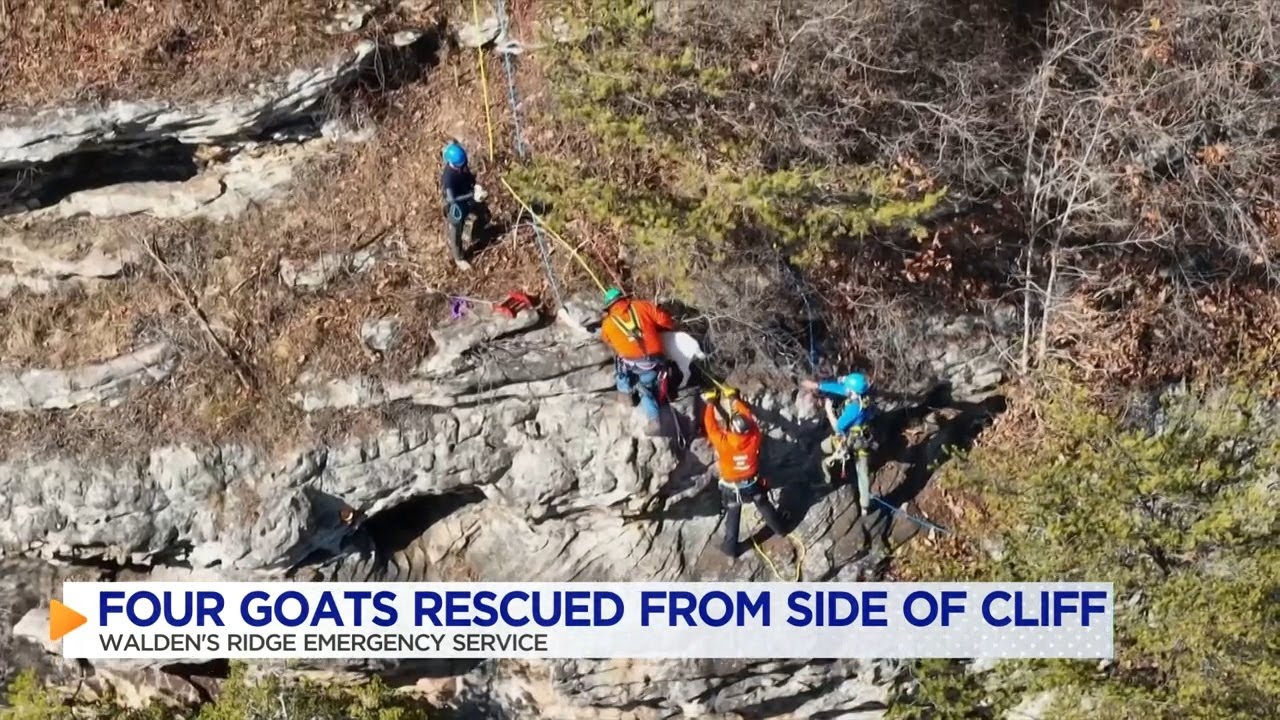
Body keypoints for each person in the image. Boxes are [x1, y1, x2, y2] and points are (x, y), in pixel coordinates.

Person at [700, 387, 788, 558]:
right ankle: (781, 529)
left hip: (731, 486)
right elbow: (748, 416)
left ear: (732, 429)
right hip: (752, 483)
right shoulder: (754, 437)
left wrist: (711, 404)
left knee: (733, 513)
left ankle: (730, 548)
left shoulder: (724, 441)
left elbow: (710, 426)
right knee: (763, 503)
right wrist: (735, 399)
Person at [600, 287, 676, 434]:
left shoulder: (608, 324)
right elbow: (665, 320)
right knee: (646, 381)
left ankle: (637, 404)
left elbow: (606, 339)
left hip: (635, 363)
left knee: (639, 385)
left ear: (609, 308)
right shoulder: (642, 306)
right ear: (624, 299)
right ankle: (632, 393)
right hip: (655, 360)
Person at [801, 372, 876, 514]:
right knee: (863, 472)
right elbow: (839, 388)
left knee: (821, 449)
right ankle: (865, 506)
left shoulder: (854, 408)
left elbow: (838, 427)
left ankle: (826, 479)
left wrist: (829, 410)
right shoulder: (864, 397)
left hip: (849, 440)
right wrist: (819, 386)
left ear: (852, 391)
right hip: (864, 439)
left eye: (848, 388)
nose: (845, 389)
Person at [440, 141, 486, 271]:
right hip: (455, 205)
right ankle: (458, 257)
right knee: (456, 228)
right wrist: (472, 196)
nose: (463, 166)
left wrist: (475, 186)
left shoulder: (462, 165)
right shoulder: (448, 178)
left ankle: (474, 234)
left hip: (467, 196)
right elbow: (451, 199)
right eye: (461, 165)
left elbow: (468, 176)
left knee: (482, 213)